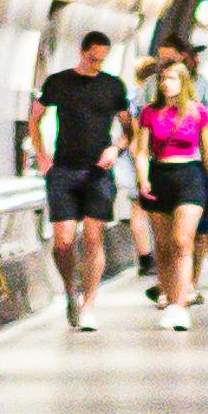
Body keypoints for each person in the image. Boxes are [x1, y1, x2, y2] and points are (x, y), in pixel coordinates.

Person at [30, 21, 131, 333]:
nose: (96, 65)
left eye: (101, 60)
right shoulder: (59, 82)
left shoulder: (113, 87)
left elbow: (130, 130)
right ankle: (70, 290)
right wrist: (43, 156)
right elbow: (35, 118)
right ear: (82, 53)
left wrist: (116, 148)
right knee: (62, 241)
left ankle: (89, 303)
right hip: (63, 169)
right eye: (92, 59)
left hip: (97, 172)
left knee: (92, 236)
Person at [135, 37, 208, 331]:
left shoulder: (197, 113)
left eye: (171, 79)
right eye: (163, 79)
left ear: (183, 82)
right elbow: (142, 150)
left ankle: (181, 303)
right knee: (165, 245)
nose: (166, 84)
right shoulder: (149, 113)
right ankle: (169, 296)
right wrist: (143, 178)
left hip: (190, 176)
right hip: (160, 176)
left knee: (183, 240)